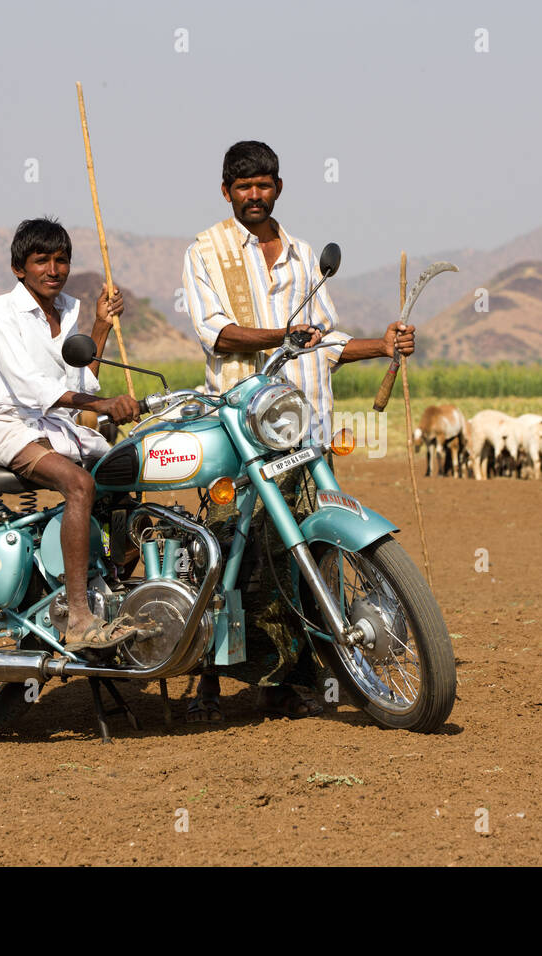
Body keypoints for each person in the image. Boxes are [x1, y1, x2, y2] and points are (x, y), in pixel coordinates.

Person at [182, 140, 415, 720]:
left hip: (307, 436)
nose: (254, 196)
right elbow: (215, 332)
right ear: (226, 191)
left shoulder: (305, 254)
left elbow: (326, 340)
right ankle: (208, 678)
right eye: (243, 187)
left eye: (263, 185)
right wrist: (280, 337)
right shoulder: (206, 251)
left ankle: (294, 681)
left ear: (278, 187)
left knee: (311, 557)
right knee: (233, 555)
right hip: (242, 431)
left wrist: (380, 345)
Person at [0, 217, 141, 652]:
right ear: (18, 268)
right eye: (41, 260)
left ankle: (118, 586)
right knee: (79, 484)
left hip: (55, 423)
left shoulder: (68, 310)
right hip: (7, 423)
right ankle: (79, 617)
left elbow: (79, 384)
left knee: (130, 470)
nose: (53, 269)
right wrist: (101, 406)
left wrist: (99, 326)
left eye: (61, 260)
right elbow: (31, 388)